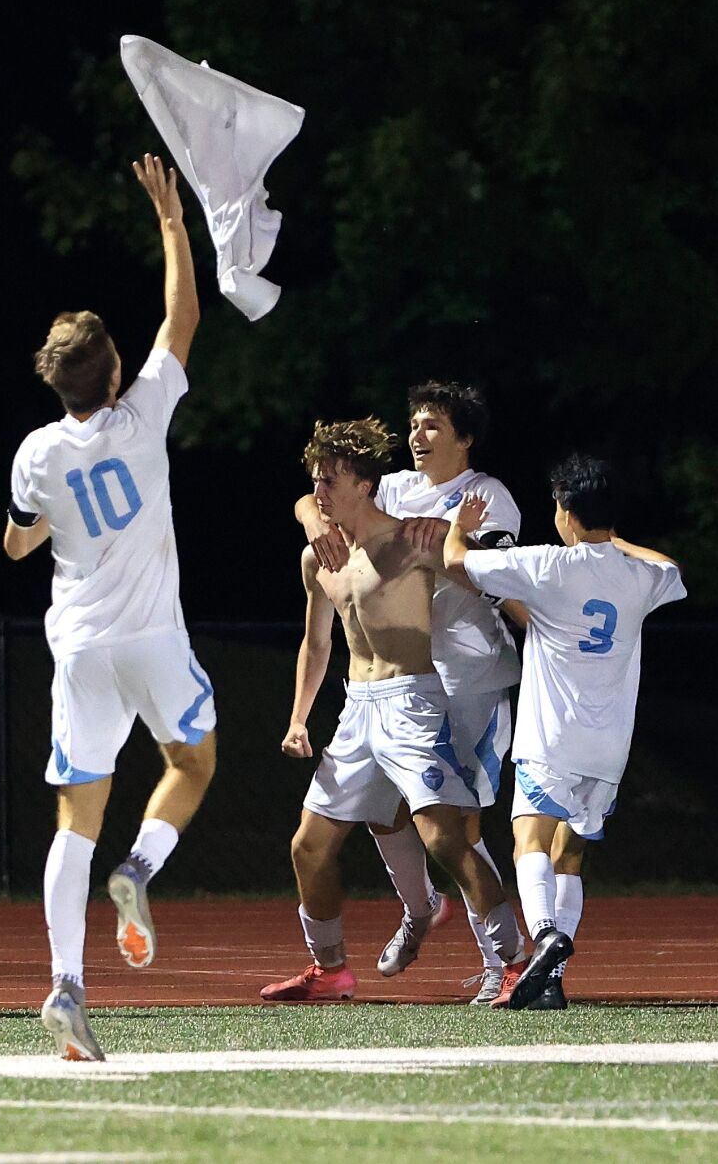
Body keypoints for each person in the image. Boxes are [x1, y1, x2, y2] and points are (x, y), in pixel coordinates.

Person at [4, 153, 218, 1062]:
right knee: (193, 761)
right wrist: (171, 218)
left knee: (71, 822)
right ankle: (141, 869)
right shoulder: (143, 418)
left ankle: (66, 986)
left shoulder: (36, 452)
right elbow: (185, 314)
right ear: (115, 370)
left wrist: (45, 525)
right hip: (152, 636)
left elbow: (17, 542)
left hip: (80, 645)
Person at [263, 418, 528, 1002]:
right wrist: (297, 719)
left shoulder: (416, 540)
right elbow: (318, 643)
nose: (319, 492)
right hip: (357, 710)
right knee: (309, 846)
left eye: (329, 481)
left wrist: (466, 538)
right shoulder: (320, 558)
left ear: (364, 484)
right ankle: (330, 970)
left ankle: (514, 962)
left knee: (446, 837)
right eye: (315, 481)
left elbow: (490, 580)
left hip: (412, 701)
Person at [446, 455, 685, 1011]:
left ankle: (546, 935)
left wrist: (459, 527)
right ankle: (551, 982)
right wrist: (614, 544)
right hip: (609, 747)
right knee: (569, 854)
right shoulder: (640, 576)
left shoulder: (549, 567)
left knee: (529, 839)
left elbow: (457, 562)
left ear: (569, 513)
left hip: (552, 737)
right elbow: (670, 566)